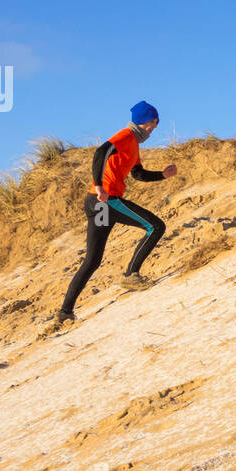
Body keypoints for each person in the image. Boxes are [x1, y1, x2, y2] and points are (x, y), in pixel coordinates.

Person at [55, 101, 177, 324]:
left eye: (156, 124)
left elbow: (138, 174)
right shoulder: (125, 136)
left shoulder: (134, 146)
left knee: (92, 261)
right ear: (141, 121)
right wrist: (100, 185)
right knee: (155, 227)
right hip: (106, 200)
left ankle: (65, 312)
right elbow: (101, 153)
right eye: (152, 123)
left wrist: (162, 175)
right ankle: (132, 274)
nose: (154, 128)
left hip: (97, 204)